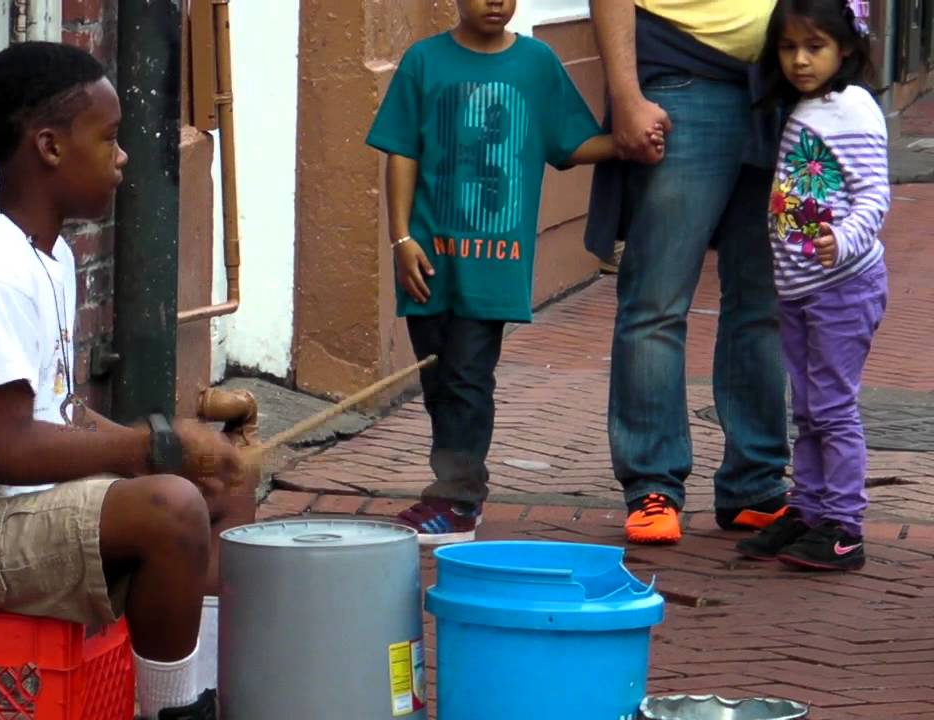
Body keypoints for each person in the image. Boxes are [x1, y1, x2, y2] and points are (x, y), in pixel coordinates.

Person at [0, 42, 240, 720]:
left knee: (220, 508)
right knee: (171, 512)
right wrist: (149, 450)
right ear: (50, 148)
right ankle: (169, 713)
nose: (122, 157)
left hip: (1, 513)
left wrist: (179, 452)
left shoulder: (51, 256)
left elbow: (59, 417)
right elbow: (7, 449)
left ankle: (192, 694)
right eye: (109, 138)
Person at [367, 0, 664, 544]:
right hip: (428, 261)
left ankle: (459, 500)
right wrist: (402, 237)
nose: (496, 1)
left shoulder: (537, 63)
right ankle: (455, 487)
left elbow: (570, 144)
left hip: (493, 269)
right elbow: (401, 151)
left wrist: (628, 146)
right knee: (438, 377)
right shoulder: (423, 62)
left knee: (468, 378)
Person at [587, 0, 795, 544]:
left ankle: (757, 482)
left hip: (778, 89)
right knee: (657, 298)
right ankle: (652, 484)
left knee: (762, 304)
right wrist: (626, 96)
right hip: (683, 78)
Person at [736, 0, 887, 571]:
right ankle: (808, 509)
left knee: (833, 409)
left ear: (845, 48)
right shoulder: (808, 105)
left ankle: (844, 527)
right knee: (808, 408)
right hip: (802, 288)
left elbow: (874, 195)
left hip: (843, 285)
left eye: (815, 47)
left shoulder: (851, 108)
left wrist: (841, 241)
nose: (800, 60)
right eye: (788, 47)